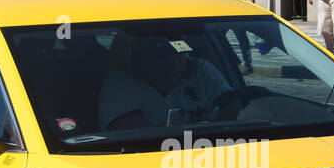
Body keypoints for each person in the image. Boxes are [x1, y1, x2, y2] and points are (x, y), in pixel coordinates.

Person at [98, 34, 239, 130]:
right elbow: (136, 135)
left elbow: (231, 104)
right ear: (144, 57)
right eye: (163, 54)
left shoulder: (200, 69)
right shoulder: (120, 85)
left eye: (180, 52)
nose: (175, 60)